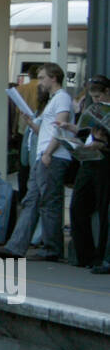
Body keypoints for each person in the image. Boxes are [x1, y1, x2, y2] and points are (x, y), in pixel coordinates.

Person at [0, 63, 73, 263]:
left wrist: (48, 152)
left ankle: (51, 248)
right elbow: (45, 131)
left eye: (43, 77)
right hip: (45, 155)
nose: (40, 82)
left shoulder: (62, 98)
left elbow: (60, 128)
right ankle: (17, 246)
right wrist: (30, 123)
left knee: (47, 201)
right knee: (34, 200)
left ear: (53, 77)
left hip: (52, 156)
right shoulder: (54, 100)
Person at [66, 75, 110, 268]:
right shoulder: (91, 108)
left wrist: (102, 145)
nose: (96, 100)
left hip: (105, 163)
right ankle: (85, 254)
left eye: (99, 96)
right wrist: (73, 130)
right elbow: (85, 131)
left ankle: (102, 257)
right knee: (77, 206)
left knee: (104, 210)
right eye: (93, 97)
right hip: (89, 162)